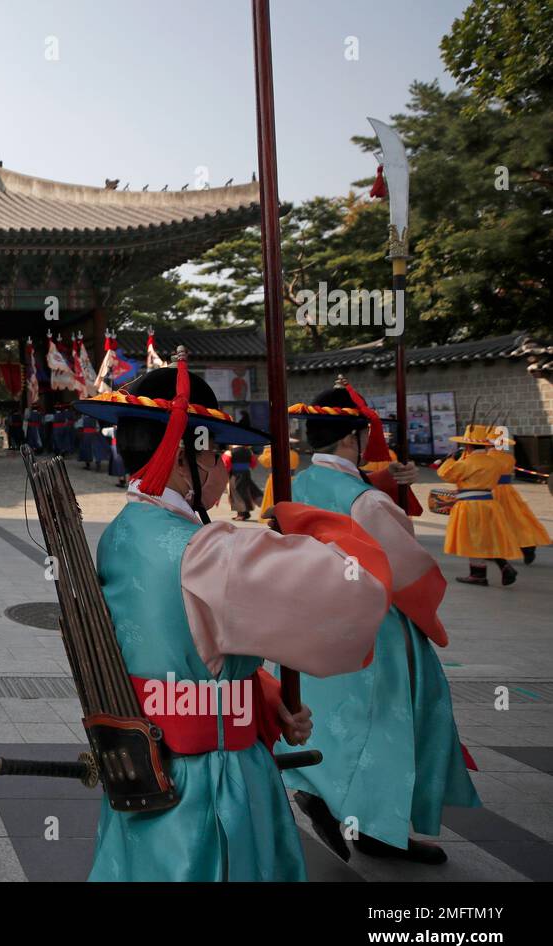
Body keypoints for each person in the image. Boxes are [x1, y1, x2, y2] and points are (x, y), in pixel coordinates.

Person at [74, 362, 393, 881]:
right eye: (217, 455)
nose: (225, 469)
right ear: (185, 460)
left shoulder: (125, 529)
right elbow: (357, 594)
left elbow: (187, 648)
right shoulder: (208, 551)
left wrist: (259, 695)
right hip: (210, 780)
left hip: (145, 772)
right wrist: (316, 527)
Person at [280, 383, 479, 865]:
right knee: (391, 722)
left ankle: (321, 790)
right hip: (376, 628)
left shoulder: (299, 483)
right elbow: (406, 571)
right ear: (351, 438)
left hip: (316, 622)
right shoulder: (364, 500)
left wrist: (387, 483)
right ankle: (377, 828)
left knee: (333, 720)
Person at [437, 423, 523, 586]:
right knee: (486, 538)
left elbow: (446, 475)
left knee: (473, 539)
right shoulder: (494, 462)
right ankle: (503, 566)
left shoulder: (468, 462)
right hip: (489, 503)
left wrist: (449, 460)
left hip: (470, 504)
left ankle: (478, 574)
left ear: (467, 445)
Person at [489, 445, 549, 565]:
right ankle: (527, 545)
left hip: (492, 490)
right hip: (509, 491)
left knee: (494, 521)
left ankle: (494, 550)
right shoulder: (509, 458)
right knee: (516, 519)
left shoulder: (488, 458)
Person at [225, 442, 263, 521]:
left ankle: (242, 514)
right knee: (245, 492)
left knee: (237, 493)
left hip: (235, 474)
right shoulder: (249, 451)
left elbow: (226, 464)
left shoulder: (230, 452)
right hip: (245, 473)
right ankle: (245, 513)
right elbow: (253, 464)